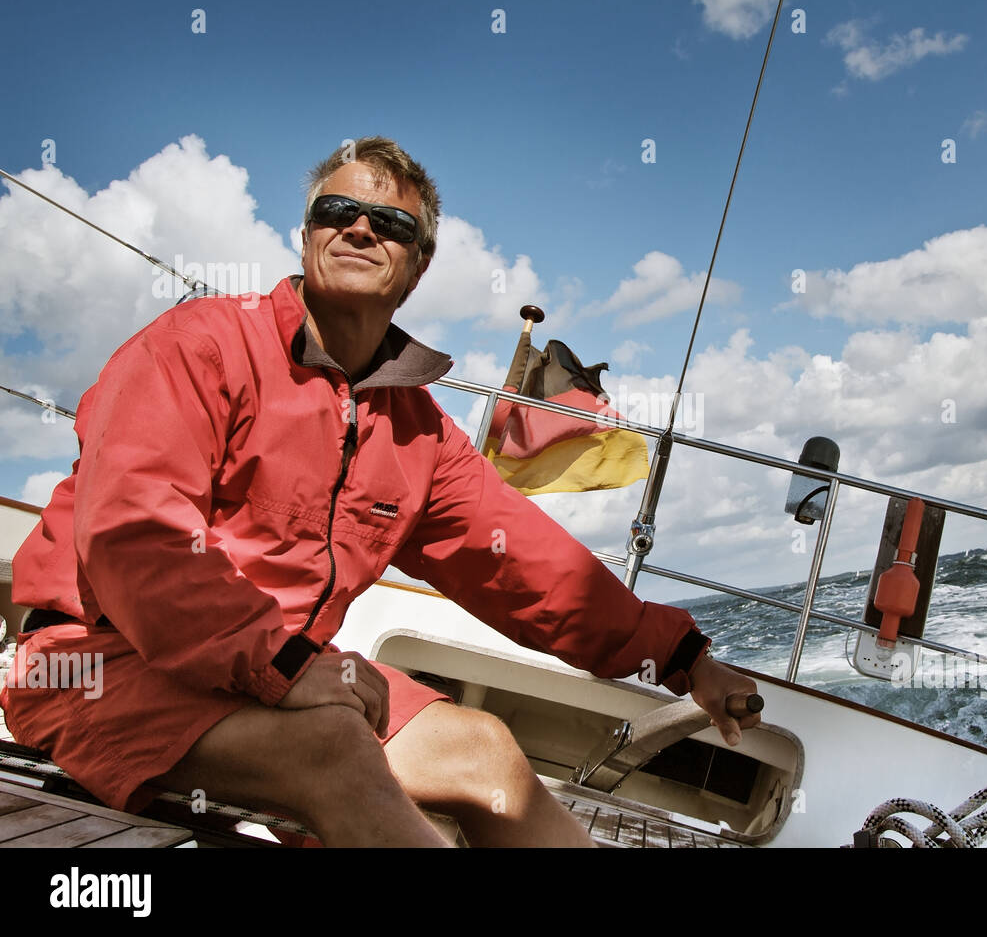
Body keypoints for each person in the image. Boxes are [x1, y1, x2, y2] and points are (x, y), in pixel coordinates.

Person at [0, 136, 760, 847]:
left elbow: (534, 568)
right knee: (332, 747)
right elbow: (140, 541)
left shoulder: (417, 433)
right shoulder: (198, 346)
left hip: (277, 676)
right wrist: (287, 666)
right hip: (97, 661)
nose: (360, 228)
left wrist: (686, 657)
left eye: (390, 222)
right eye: (337, 212)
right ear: (305, 237)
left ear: (419, 264)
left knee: (483, 750)